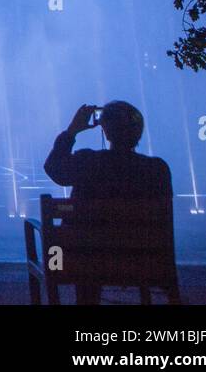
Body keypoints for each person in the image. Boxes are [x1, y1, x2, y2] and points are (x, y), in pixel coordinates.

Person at [44, 101, 173, 304]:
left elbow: (53, 168)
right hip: (145, 261)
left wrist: (72, 131)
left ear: (105, 131)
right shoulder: (158, 170)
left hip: (80, 262)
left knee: (84, 247)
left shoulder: (88, 162)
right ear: (138, 132)